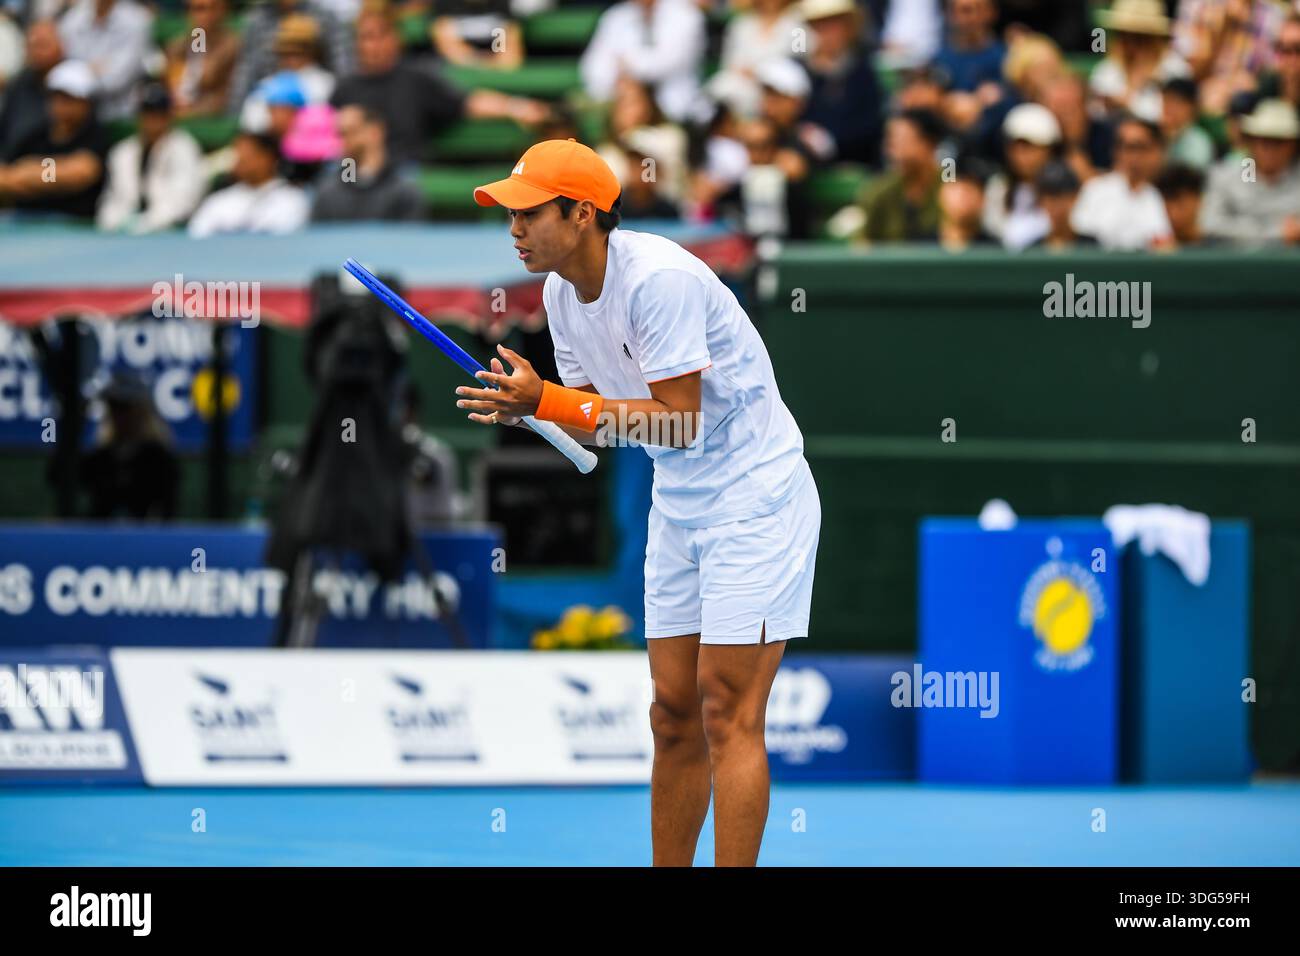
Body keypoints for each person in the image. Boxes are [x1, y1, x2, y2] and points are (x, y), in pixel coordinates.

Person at [459, 139, 820, 867]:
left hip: (757, 498)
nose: (514, 228)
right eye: (510, 214)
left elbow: (676, 417)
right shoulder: (561, 294)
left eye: (530, 213)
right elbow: (606, 412)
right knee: (672, 714)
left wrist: (552, 401)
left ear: (583, 214)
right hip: (678, 501)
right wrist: (529, 410)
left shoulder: (659, 281)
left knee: (727, 710)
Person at [332, 3, 549, 167]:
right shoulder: (345, 88)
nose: (374, 45)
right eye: (367, 37)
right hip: (351, 169)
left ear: (397, 37)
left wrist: (515, 107)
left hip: (402, 171)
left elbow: (468, 103)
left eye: (382, 35)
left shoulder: (416, 80)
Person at [0, 58, 108, 219]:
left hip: (74, 225)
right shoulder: (35, 136)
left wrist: (26, 171)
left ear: (86, 102)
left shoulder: (96, 135)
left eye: (68, 98)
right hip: (23, 221)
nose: (60, 104)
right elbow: (4, 178)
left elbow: (80, 173)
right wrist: (53, 172)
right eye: (55, 96)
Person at [96, 82, 206, 232]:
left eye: (158, 113)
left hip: (170, 234)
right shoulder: (122, 152)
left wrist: (145, 224)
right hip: (124, 234)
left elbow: (184, 202)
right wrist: (116, 222)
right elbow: (111, 200)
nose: (153, 119)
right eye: (147, 112)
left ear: (169, 115)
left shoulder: (184, 148)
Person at [579, 0, 707, 124]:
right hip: (623, 100)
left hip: (677, 105)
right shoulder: (615, 16)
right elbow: (593, 68)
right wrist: (623, 83)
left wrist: (627, 65)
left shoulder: (686, 13)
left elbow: (669, 62)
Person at [78, 372, 181, 521]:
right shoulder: (100, 458)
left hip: (145, 541)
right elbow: (58, 477)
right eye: (113, 407)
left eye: (125, 408)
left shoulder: (160, 460)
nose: (118, 416)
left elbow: (167, 515)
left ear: (142, 411)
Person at [1200, 98, 1300, 245]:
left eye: (1278, 141)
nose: (1269, 148)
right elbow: (1210, 224)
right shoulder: (1225, 175)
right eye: (1263, 140)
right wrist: (1276, 233)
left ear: (1292, 145)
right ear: (1251, 141)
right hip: (1237, 265)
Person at [799, 0, 884, 167]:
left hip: (856, 160)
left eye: (833, 25)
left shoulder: (863, 72)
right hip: (806, 160)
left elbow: (871, 126)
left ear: (848, 28)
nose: (827, 33)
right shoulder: (800, 71)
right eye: (820, 26)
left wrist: (830, 142)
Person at [1070, 113, 1171, 249]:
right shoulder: (1096, 189)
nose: (1131, 156)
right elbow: (1080, 238)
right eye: (1124, 146)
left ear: (1157, 151)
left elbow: (1164, 245)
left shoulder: (1156, 195)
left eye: (1138, 147)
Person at [311, 103, 426, 220]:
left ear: (375, 132)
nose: (343, 141)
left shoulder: (404, 192)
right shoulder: (329, 192)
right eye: (340, 134)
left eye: (351, 132)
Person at [187, 129, 310, 236]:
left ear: (270, 157)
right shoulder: (219, 200)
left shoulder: (292, 200)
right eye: (238, 153)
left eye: (250, 154)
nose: (242, 160)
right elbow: (197, 237)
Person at [853, 107, 945, 243]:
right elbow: (862, 246)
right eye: (890, 142)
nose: (892, 150)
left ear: (929, 143)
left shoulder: (948, 183)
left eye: (902, 140)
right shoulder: (879, 191)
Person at [57, 0, 152, 120]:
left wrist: (80, 73)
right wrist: (94, 70)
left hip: (118, 113)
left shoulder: (137, 20)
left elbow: (116, 80)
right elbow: (63, 69)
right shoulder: (74, 17)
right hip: (75, 110)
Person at [982, 101, 1058, 249]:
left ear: (1049, 150)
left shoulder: (1063, 190)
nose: (1021, 156)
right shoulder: (997, 188)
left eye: (1030, 148)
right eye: (1015, 148)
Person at [164, 0, 240, 117]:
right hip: (174, 115)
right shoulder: (176, 47)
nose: (199, 16)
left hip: (212, 120)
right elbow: (169, 87)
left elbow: (226, 96)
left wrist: (190, 112)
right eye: (194, 9)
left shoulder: (232, 47)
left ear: (221, 10)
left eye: (204, 9)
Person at [0, 19, 63, 161]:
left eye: (42, 45)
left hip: (49, 166)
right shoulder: (19, 82)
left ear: (61, 45)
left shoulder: (71, 86)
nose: (36, 52)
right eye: (30, 46)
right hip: (11, 162)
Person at [931, 0, 1004, 93]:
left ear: (990, 13)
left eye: (977, 9)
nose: (970, 18)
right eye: (964, 11)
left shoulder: (1005, 57)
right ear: (949, 15)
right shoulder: (940, 59)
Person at [1027, 160, 1097, 250]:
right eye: (1049, 198)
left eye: (1060, 196)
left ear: (1074, 197)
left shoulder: (1091, 246)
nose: (1055, 205)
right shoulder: (1033, 249)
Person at [1153, 162, 1212, 249]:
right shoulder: (1150, 248)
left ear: (1198, 200)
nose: (1173, 213)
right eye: (1167, 206)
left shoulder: (1224, 248)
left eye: (1180, 204)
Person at [1161, 77, 1214, 170]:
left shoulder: (1199, 141)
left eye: (1175, 101)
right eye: (1166, 100)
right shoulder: (1157, 133)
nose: (1168, 107)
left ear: (1192, 106)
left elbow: (1189, 176)